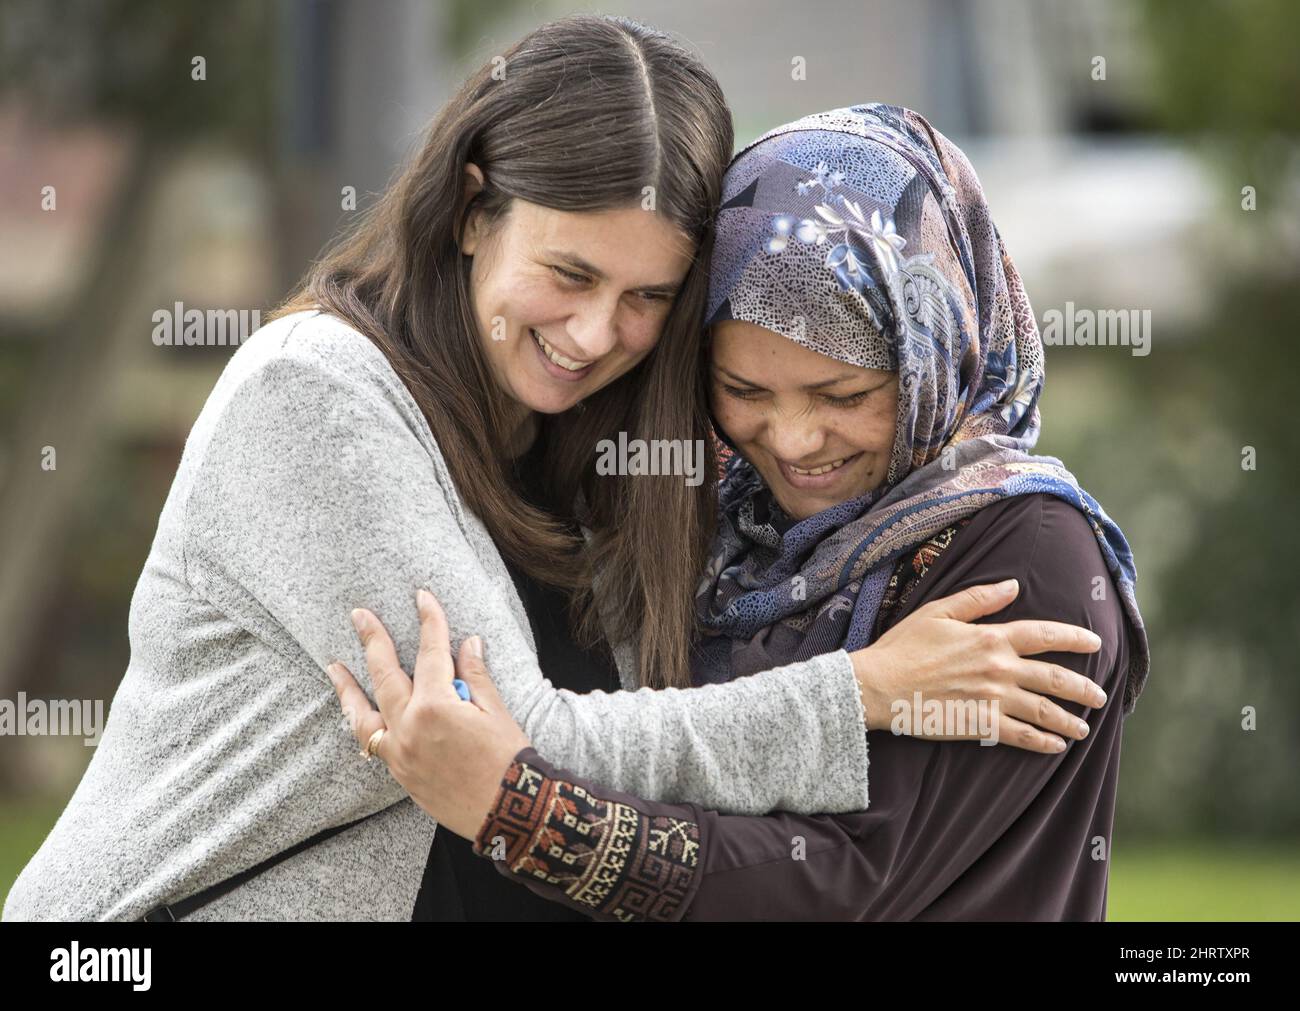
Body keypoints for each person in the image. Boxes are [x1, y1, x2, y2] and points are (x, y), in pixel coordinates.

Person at [2, 20, 1102, 922]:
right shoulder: (318, 397)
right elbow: (523, 740)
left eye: (648, 299)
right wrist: (861, 693)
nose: (593, 333)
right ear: (476, 209)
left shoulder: (601, 436)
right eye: (569, 273)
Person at [330, 103, 1149, 921]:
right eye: (745, 391)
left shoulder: (1028, 554)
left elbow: (845, 881)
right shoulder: (726, 525)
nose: (793, 440)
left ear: (936, 348)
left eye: (844, 395)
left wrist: (525, 814)